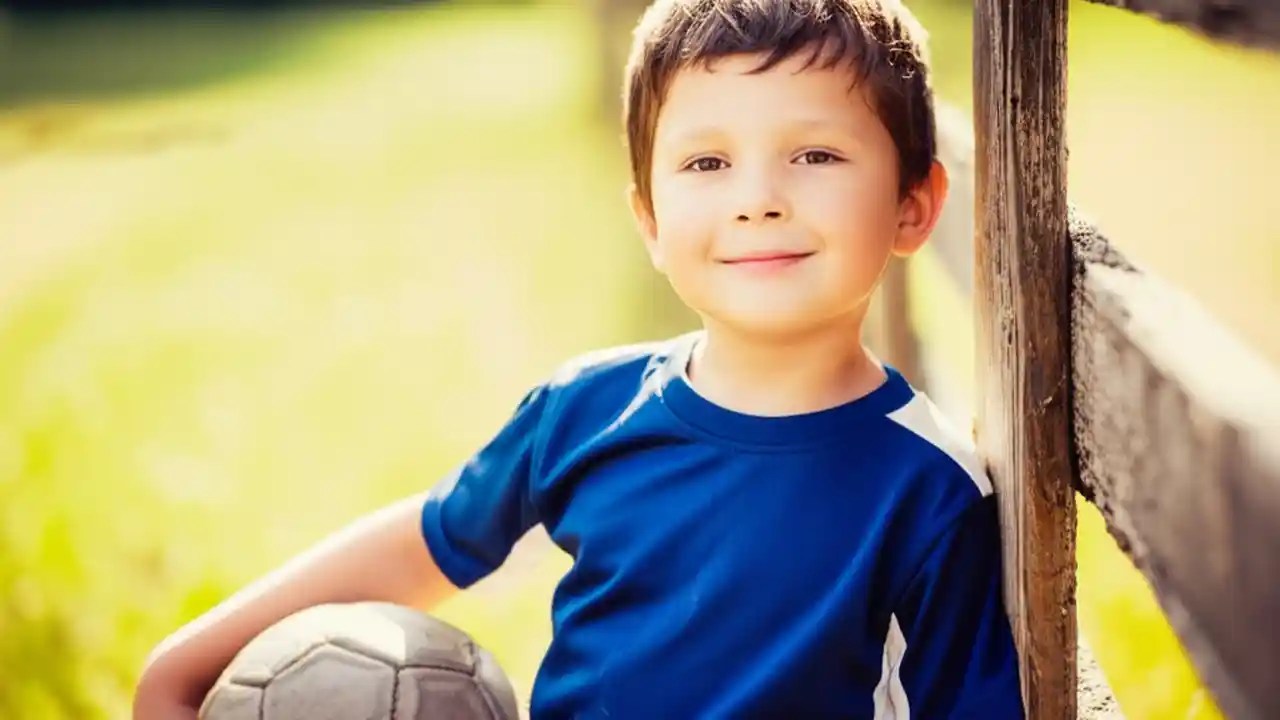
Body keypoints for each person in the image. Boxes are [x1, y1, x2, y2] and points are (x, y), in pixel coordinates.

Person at [133, 0, 1024, 717]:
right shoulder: (584, 411)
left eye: (816, 155)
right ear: (648, 220)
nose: (758, 200)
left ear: (914, 207)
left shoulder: (929, 489)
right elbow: (425, 541)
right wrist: (183, 667)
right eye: (708, 162)